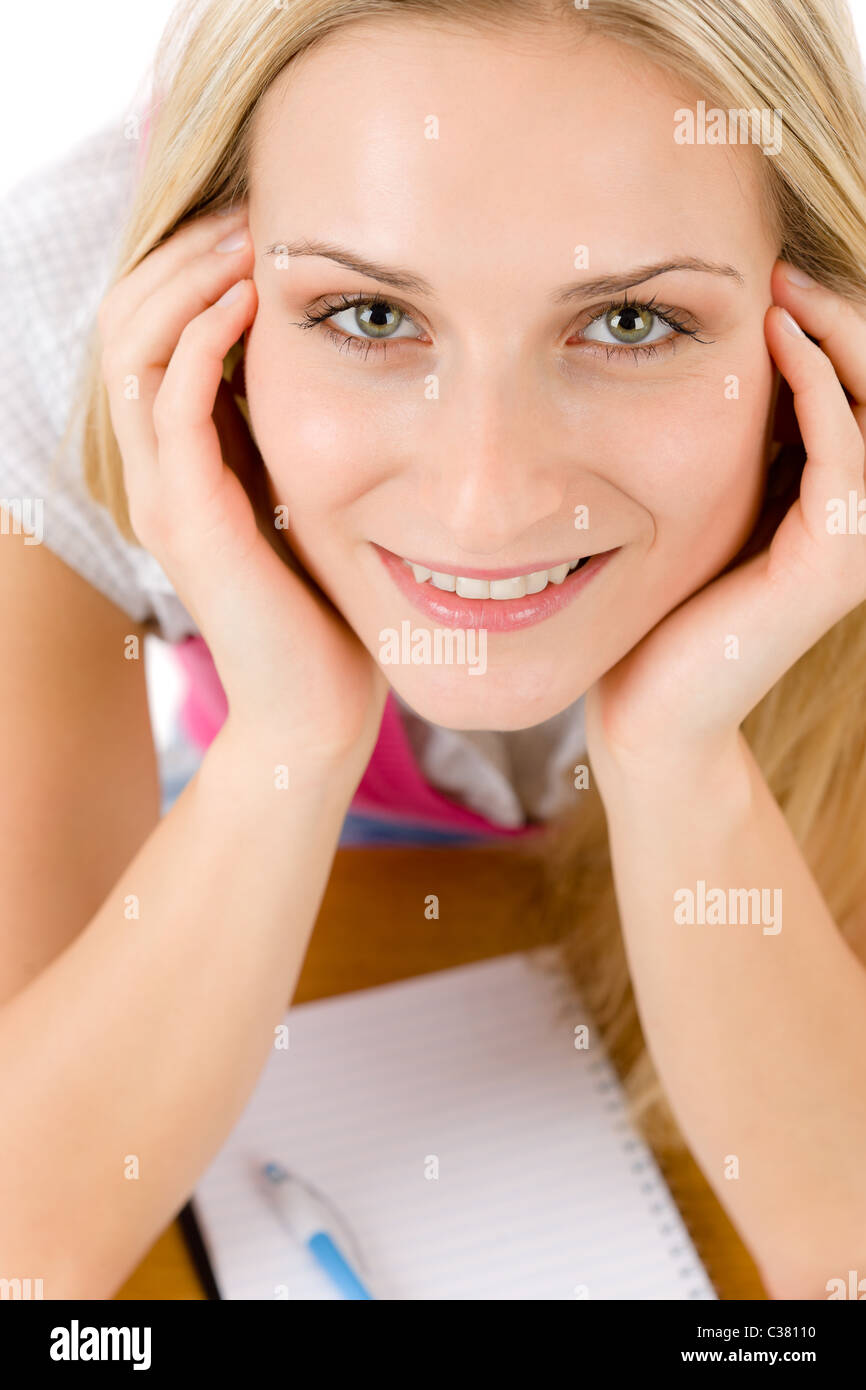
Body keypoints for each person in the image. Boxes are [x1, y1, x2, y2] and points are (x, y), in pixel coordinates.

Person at [1, 0, 865, 1300]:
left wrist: (678, 751)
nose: (484, 499)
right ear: (217, 323)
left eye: (628, 323)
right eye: (363, 315)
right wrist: (291, 736)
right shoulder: (54, 343)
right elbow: (31, 1233)